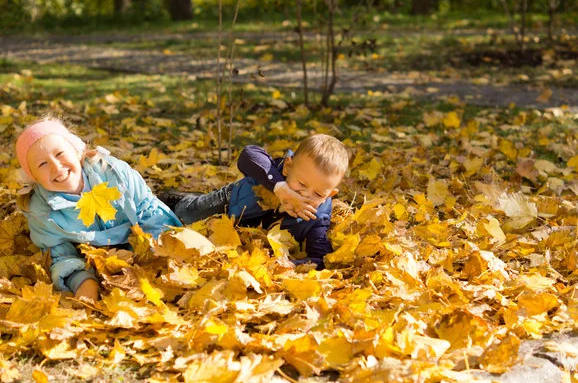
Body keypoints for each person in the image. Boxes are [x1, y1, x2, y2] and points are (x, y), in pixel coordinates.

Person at [15, 116, 182, 301]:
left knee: (192, 214)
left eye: (60, 153)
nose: (56, 166)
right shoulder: (43, 213)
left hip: (146, 226)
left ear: (77, 151)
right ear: (34, 178)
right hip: (106, 259)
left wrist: (156, 253)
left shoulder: (114, 172)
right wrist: (83, 281)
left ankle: (197, 200)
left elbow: (149, 211)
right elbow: (59, 254)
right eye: (42, 164)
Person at [160, 134, 349, 269]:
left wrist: (293, 264)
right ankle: (181, 199)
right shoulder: (275, 170)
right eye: (301, 184)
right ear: (288, 167)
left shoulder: (318, 215)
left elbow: (320, 256)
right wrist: (281, 189)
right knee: (186, 215)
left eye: (317, 194)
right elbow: (248, 154)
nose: (306, 195)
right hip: (233, 201)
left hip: (247, 230)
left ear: (330, 194)